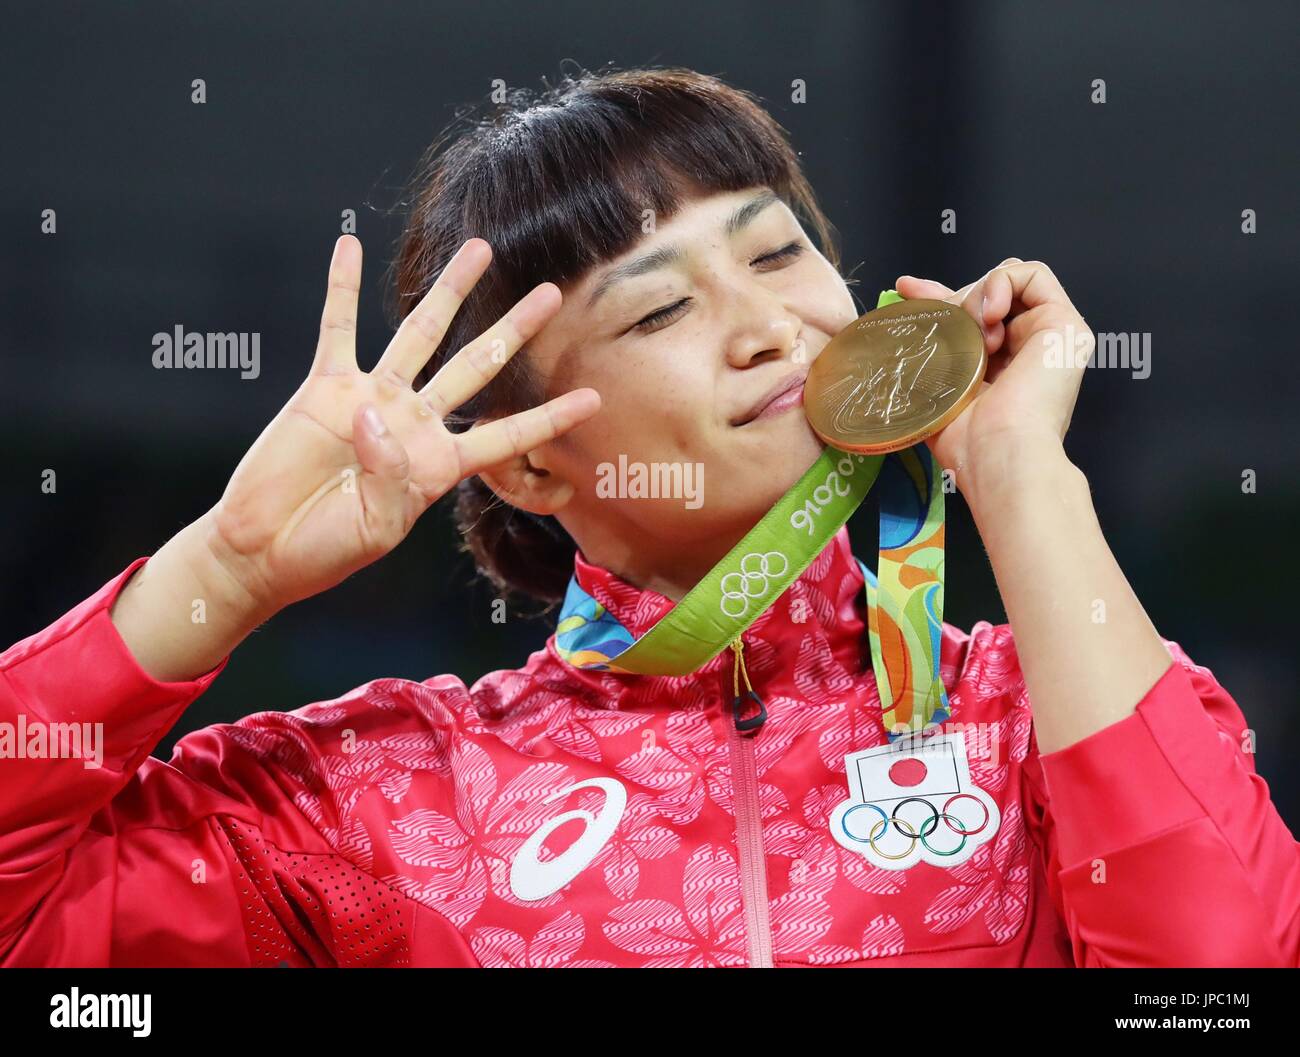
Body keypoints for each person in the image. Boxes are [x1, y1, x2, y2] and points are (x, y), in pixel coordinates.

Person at [1, 66, 1296, 969]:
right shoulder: (379, 803)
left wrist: (1020, 479)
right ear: (530, 467)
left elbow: (1212, 974)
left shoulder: (1041, 721)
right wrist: (222, 571)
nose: (764, 326)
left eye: (780, 252)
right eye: (660, 309)